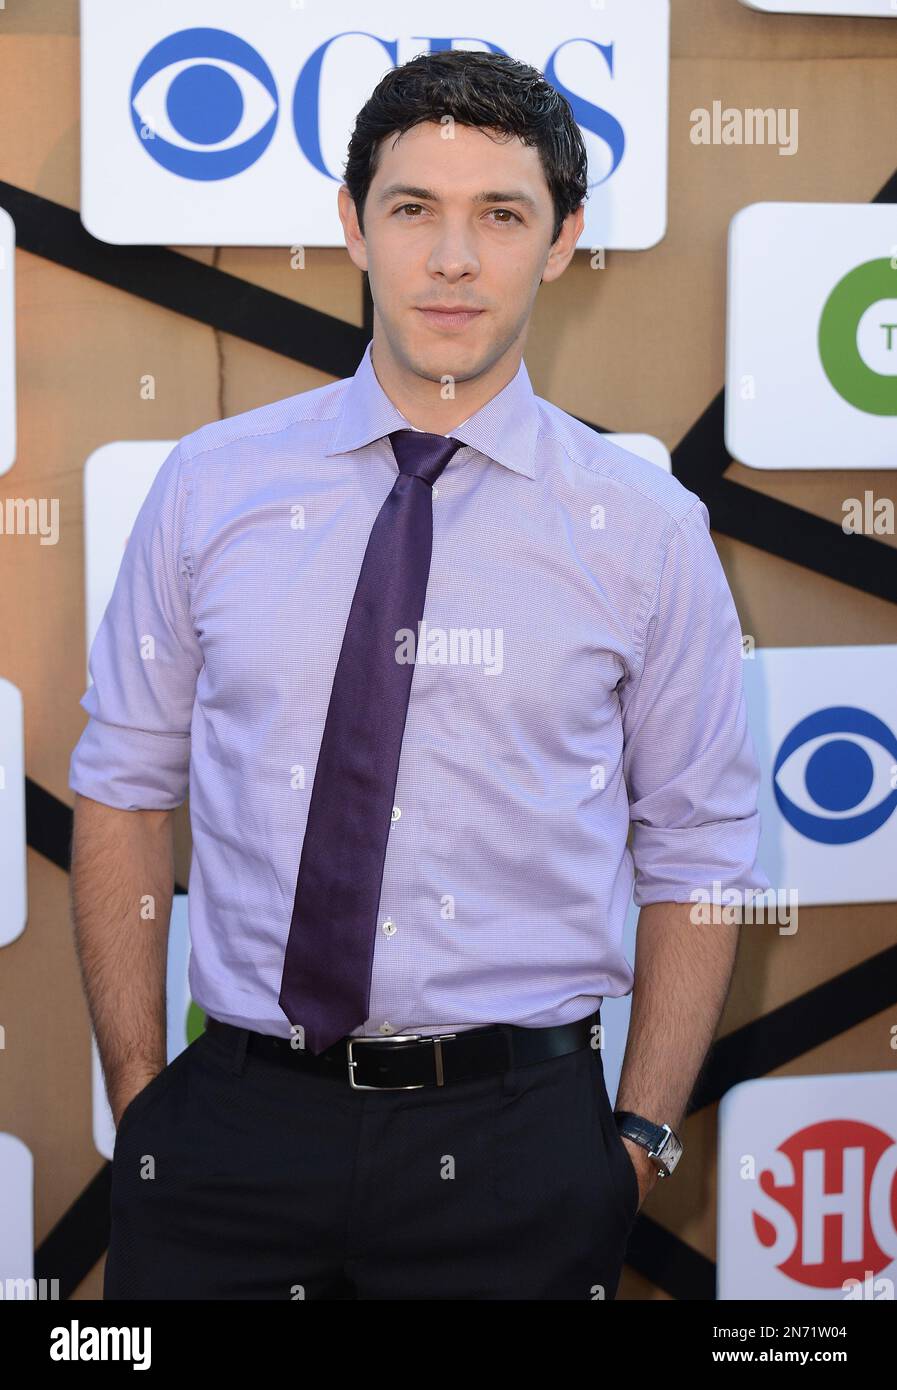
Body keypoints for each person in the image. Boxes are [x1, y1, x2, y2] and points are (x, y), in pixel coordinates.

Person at [69, 49, 769, 1301]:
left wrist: (639, 1142)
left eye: (500, 214)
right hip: (232, 1130)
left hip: (521, 1146)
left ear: (562, 241)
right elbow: (122, 787)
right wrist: (141, 1097)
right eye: (413, 210)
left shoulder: (644, 529)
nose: (453, 259)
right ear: (352, 224)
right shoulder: (210, 488)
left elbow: (701, 852)